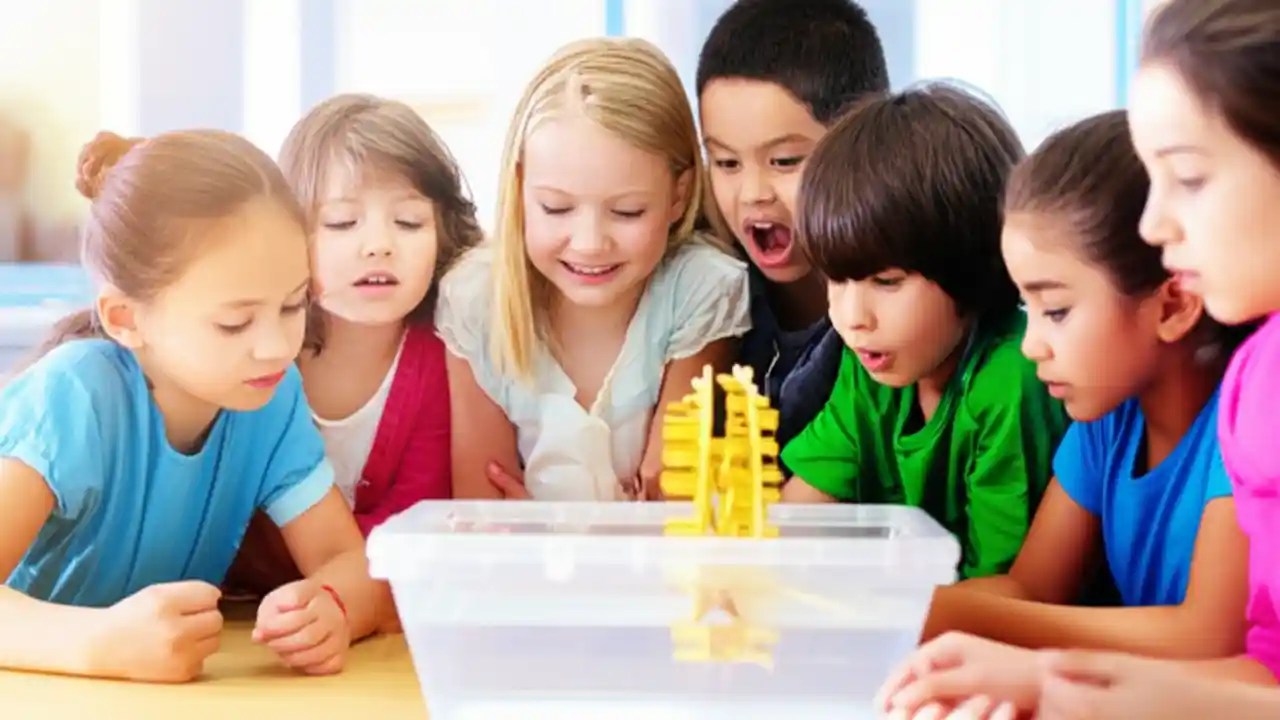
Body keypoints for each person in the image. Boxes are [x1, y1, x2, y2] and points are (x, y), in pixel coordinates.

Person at [877, 111, 1252, 718]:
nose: (1030, 346)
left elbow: (1207, 635)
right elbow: (1031, 587)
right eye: (1026, 308)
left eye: (1055, 310)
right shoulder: (1106, 418)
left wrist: (940, 610)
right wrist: (905, 611)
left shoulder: (1243, 420)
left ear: (1173, 304)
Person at [0, 130, 388, 683]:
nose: (277, 346)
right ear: (127, 319)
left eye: (292, 305)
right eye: (234, 322)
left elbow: (350, 564)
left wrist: (332, 606)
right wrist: (101, 644)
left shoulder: (270, 401)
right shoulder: (75, 397)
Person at [440, 37, 750, 501]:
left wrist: (544, 528)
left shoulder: (702, 289)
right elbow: (485, 513)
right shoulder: (475, 298)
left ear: (679, 195)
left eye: (626, 212)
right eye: (556, 207)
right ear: (520, 188)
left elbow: (672, 496)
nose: (589, 244)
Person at [779, 84, 1068, 580]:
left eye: (886, 283)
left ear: (973, 263)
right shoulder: (869, 364)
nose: (852, 317)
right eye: (836, 280)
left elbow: (1007, 592)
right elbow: (790, 524)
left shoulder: (1008, 379)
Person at [220, 94, 483, 597]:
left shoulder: (441, 357)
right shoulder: (260, 354)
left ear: (444, 234)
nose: (379, 245)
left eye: (408, 223)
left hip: (372, 619)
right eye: (343, 223)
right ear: (290, 232)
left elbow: (416, 523)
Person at [695, 0, 890, 457]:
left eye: (784, 161)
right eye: (726, 162)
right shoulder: (704, 292)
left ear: (865, 138)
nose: (752, 193)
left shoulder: (906, 309)